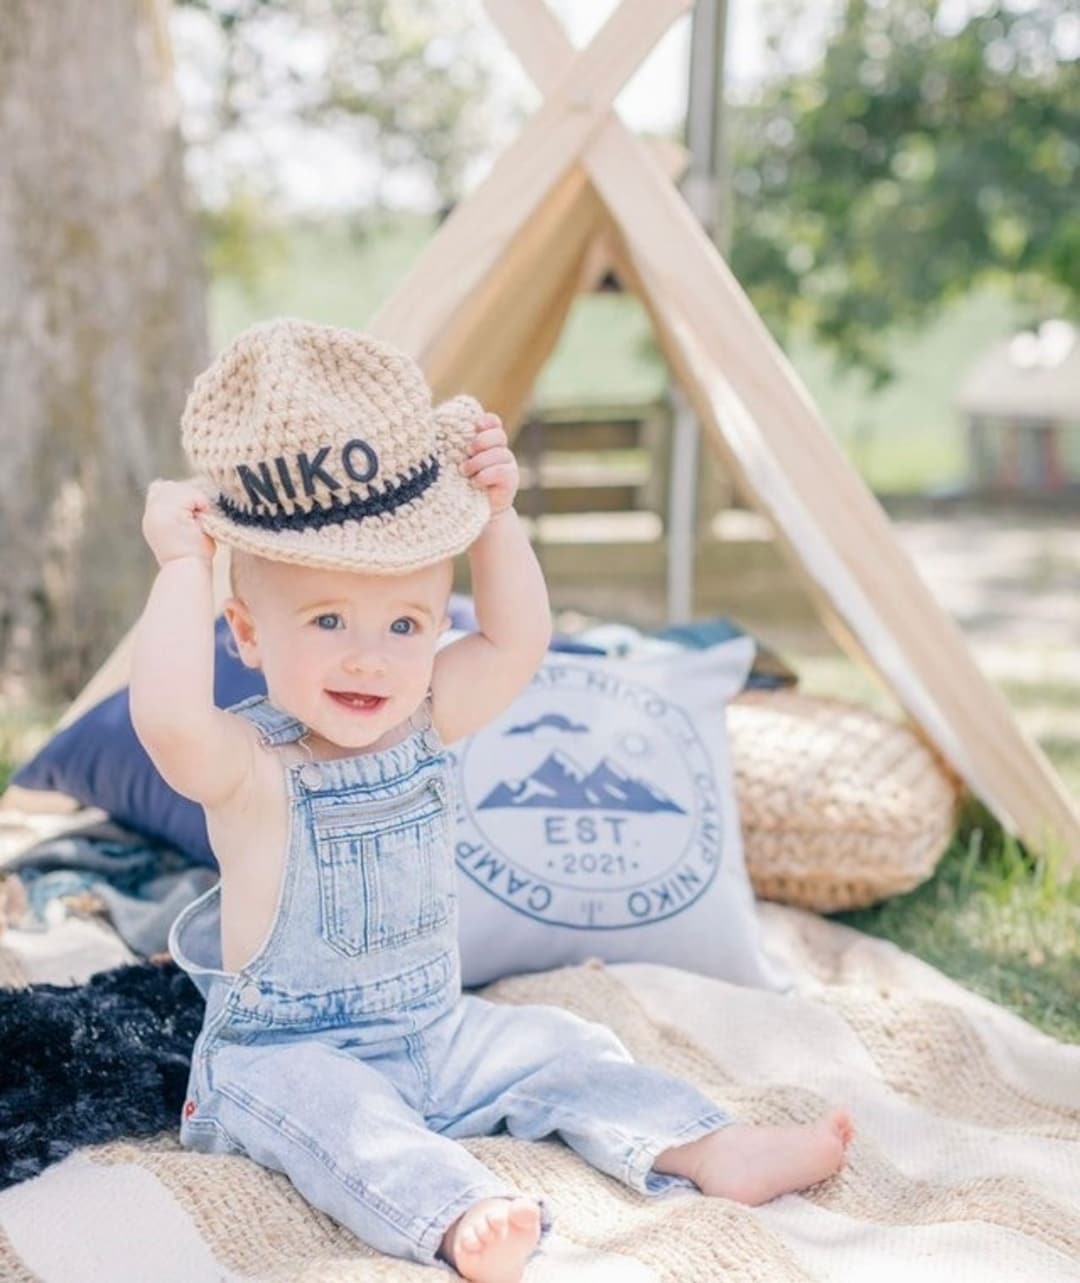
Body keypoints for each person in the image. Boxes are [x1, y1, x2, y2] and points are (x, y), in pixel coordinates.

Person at [133, 319, 853, 1282]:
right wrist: (182, 566)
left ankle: (706, 1144)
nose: (369, 653)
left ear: (438, 624)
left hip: (439, 1030)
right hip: (286, 1053)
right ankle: (455, 1207)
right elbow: (172, 719)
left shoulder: (430, 714)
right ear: (247, 632)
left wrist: (499, 521)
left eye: (405, 622)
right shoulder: (250, 764)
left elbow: (518, 643)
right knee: (339, 1121)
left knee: (563, 1047)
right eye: (327, 618)